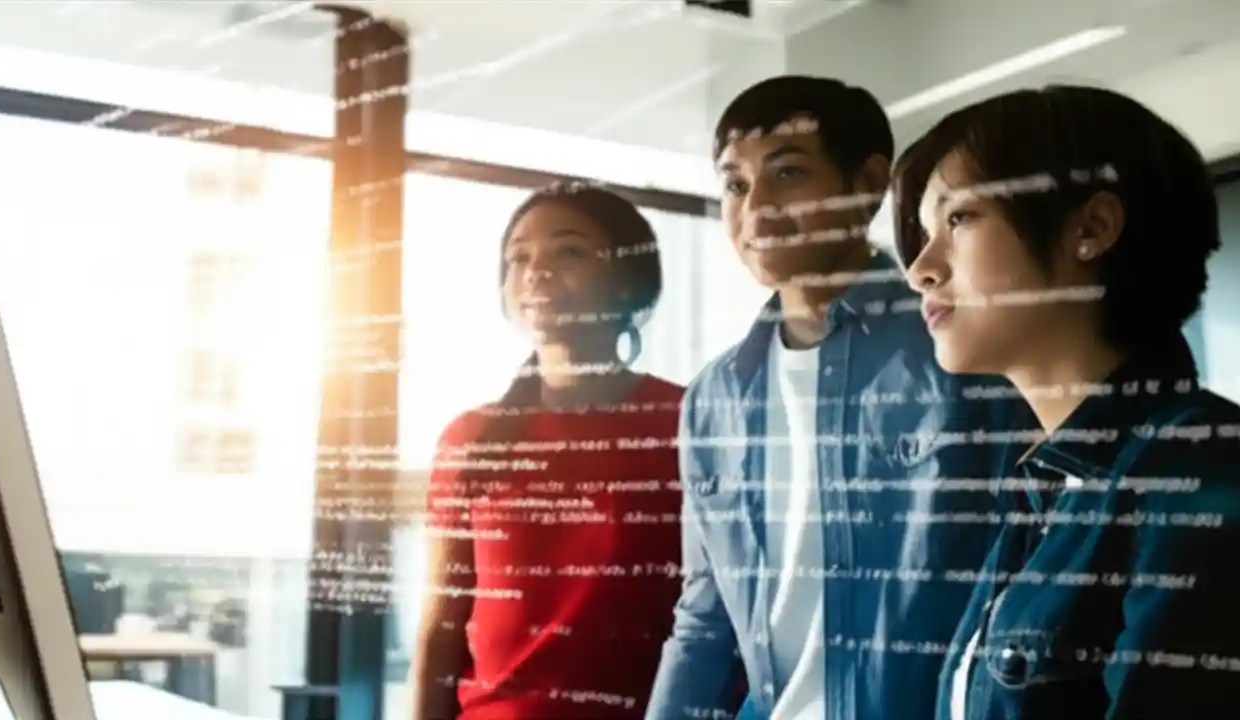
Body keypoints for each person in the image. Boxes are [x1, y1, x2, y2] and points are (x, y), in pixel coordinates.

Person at [646, 76, 1026, 720]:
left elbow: (1019, 584)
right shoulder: (714, 397)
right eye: (736, 184)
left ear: (867, 182)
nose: (757, 208)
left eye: (787, 173)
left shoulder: (962, 350)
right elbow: (704, 615)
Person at [894, 85, 1240, 719]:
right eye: (922, 233)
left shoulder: (1196, 474)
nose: (920, 268)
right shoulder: (1047, 489)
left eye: (958, 218)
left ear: (1092, 228)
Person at [410, 182, 685, 719]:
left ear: (627, 277)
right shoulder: (472, 438)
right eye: (518, 257)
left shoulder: (687, 422)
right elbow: (440, 628)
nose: (536, 270)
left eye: (569, 251)